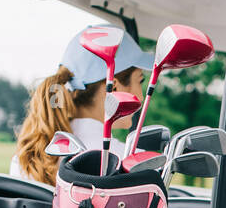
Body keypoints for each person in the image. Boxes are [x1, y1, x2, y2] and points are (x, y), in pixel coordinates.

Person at [10, 26, 153, 185]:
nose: (141, 96)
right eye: (140, 81)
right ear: (113, 88)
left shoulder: (25, 158)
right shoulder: (131, 164)